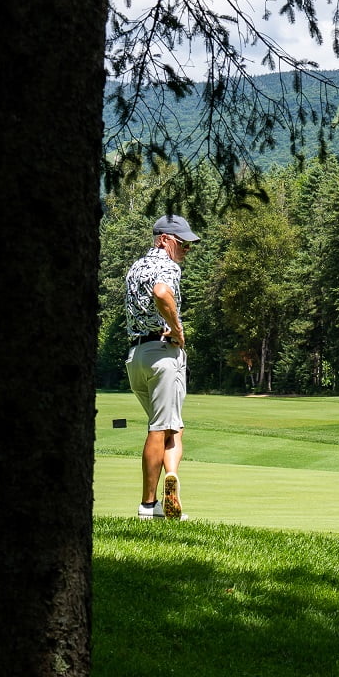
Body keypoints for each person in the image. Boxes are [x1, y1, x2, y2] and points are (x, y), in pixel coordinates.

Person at [124, 213, 199, 519]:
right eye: (183, 244)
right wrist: (177, 329)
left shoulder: (136, 266)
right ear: (165, 239)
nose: (187, 250)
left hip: (136, 357)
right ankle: (148, 505)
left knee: (171, 425)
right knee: (161, 428)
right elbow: (161, 293)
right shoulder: (168, 266)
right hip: (163, 354)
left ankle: (171, 477)